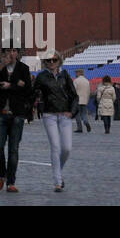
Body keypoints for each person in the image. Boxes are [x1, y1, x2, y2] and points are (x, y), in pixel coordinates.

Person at [0, 47, 32, 193]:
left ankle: (11, 182)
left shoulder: (23, 68)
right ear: (3, 53)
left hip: (17, 114)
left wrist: (11, 86)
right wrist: (0, 66)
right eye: (8, 51)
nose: (11, 54)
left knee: (13, 149)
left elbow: (28, 90)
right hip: (0, 113)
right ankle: (2, 175)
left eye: (14, 51)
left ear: (18, 53)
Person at [33, 52, 78, 192]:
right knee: (55, 147)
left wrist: (72, 112)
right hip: (49, 115)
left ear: (59, 60)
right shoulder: (41, 77)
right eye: (49, 60)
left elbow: (74, 96)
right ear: (45, 62)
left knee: (67, 148)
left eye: (54, 59)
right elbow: (33, 93)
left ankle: (58, 171)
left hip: (65, 115)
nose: (52, 62)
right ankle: (57, 181)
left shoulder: (65, 76)